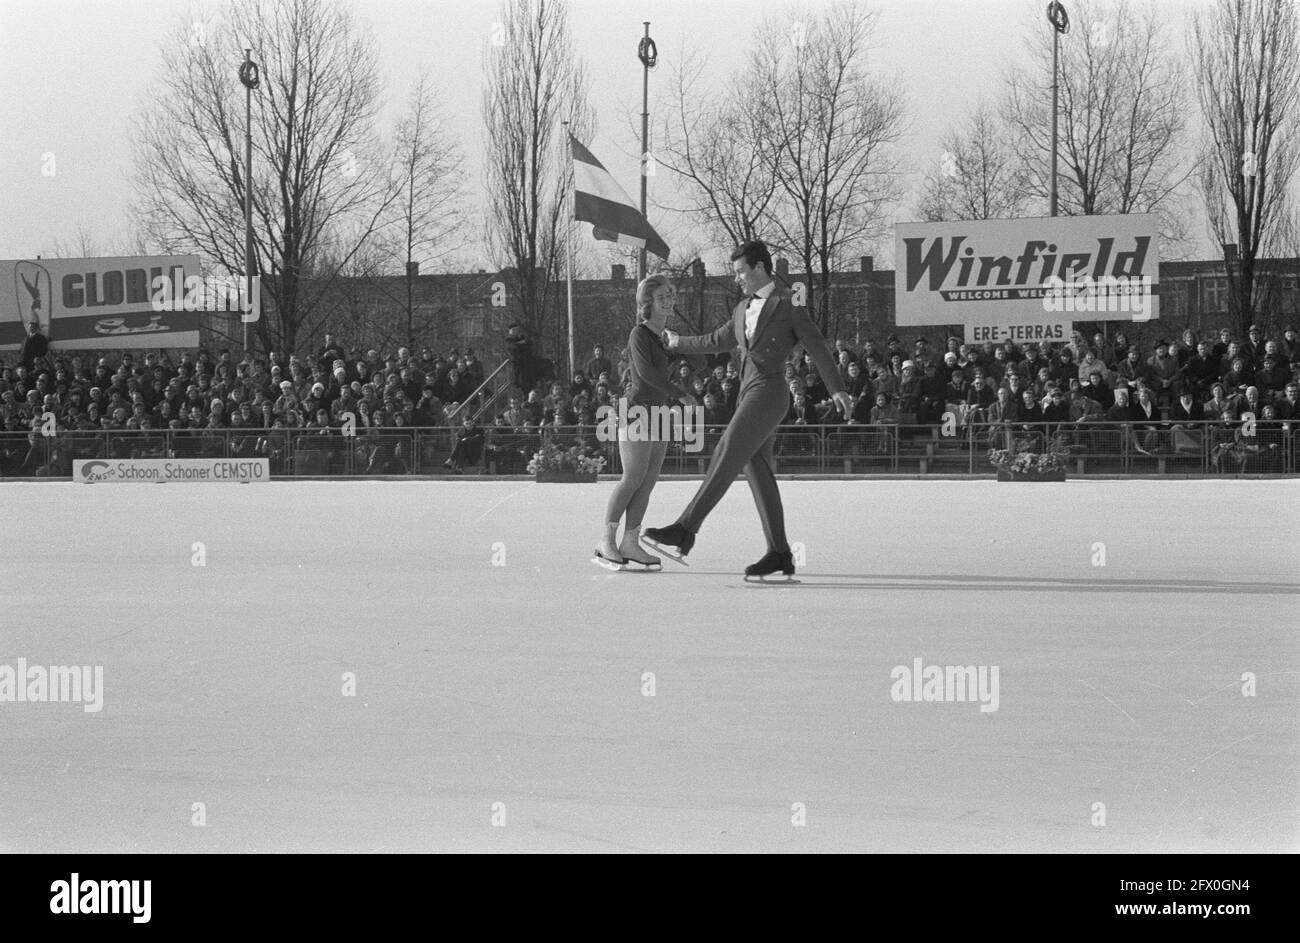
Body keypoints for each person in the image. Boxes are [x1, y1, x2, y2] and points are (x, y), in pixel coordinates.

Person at [643, 241, 851, 580]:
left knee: (726, 448)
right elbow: (715, 340)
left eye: (741, 271)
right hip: (747, 393)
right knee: (757, 471)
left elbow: (816, 344)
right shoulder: (741, 309)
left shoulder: (788, 306)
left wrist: (837, 387)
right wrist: (679, 342)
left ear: (759, 268)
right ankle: (780, 553)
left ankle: (685, 528)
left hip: (770, 391)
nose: (737, 278)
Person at [594, 274, 692, 570]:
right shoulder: (639, 334)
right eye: (661, 297)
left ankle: (630, 542)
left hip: (659, 413)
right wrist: (681, 395)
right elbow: (648, 375)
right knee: (633, 477)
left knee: (648, 482)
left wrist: (681, 346)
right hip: (637, 411)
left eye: (670, 295)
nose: (669, 300)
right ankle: (606, 541)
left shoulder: (664, 337)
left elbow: (688, 365)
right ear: (646, 304)